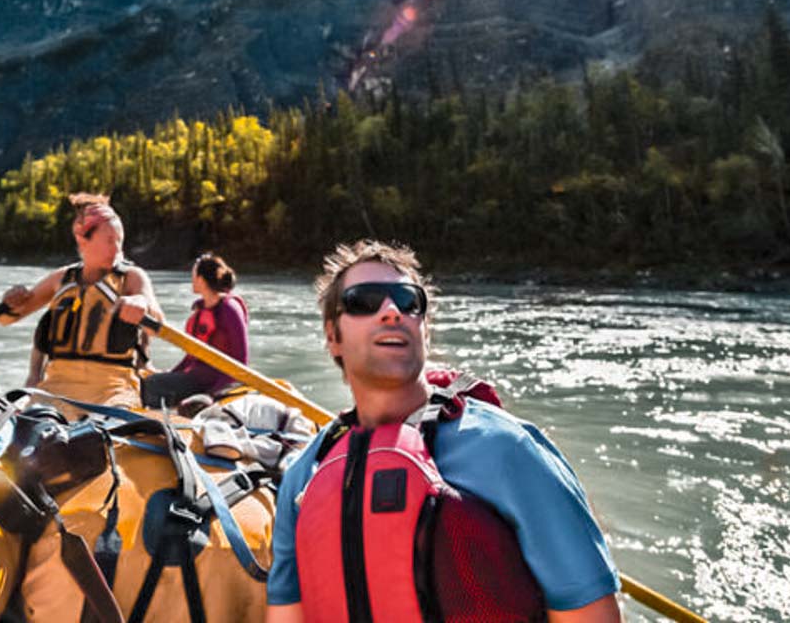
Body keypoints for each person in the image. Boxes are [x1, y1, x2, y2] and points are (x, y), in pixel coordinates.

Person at [266, 241, 624, 623]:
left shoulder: (510, 450)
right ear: (332, 337)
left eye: (409, 301)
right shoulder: (304, 477)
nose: (392, 311)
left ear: (426, 330)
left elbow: (591, 615)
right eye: (364, 301)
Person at [0, 193, 164, 411]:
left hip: (113, 391)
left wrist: (141, 303)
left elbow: (156, 322)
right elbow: (5, 319)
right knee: (31, 424)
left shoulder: (132, 277)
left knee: (103, 428)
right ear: (82, 238)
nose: (118, 250)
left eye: (120, 241)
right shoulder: (61, 279)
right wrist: (11, 300)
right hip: (55, 390)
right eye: (110, 241)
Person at [140, 252, 251, 409]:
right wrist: (171, 373)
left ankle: (159, 418)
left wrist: (213, 392)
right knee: (148, 380)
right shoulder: (201, 310)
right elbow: (191, 357)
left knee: (152, 384)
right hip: (198, 379)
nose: (191, 279)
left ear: (201, 279)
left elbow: (241, 359)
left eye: (193, 275)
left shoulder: (230, 308)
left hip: (218, 382)